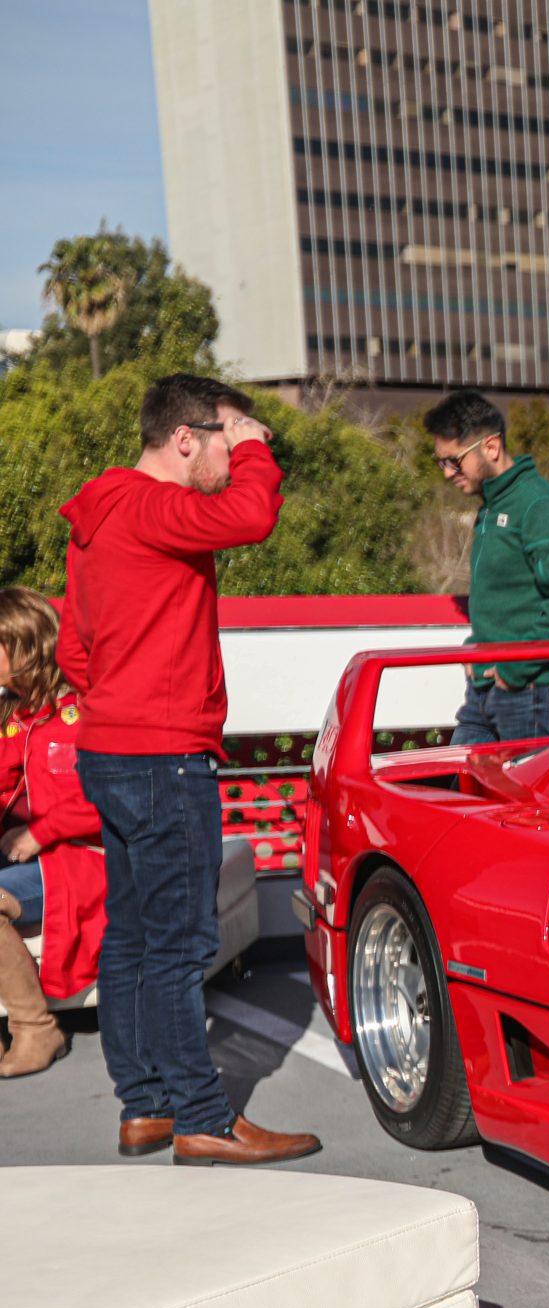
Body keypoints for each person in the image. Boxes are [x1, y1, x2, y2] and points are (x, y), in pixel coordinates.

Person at [56, 374, 318, 1163]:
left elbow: (73, 648)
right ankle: (203, 1116)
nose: (233, 455)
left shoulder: (99, 513)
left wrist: (121, 699)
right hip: (163, 756)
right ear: (184, 438)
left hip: (110, 749)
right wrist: (258, 451)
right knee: (177, 944)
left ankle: (145, 1106)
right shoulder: (152, 505)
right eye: (225, 438)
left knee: (132, 937)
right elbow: (251, 516)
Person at [424, 390, 549, 743]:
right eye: (441, 463)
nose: (448, 473)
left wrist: (515, 668)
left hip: (533, 690)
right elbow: (503, 600)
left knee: (525, 781)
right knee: (458, 776)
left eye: (454, 461)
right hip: (485, 686)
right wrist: (476, 647)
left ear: (491, 446)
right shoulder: (491, 507)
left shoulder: (541, 506)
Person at [0, 589, 105, 1078]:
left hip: (77, 861)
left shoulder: (85, 709)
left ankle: (35, 1028)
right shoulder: (12, 714)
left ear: (23, 645)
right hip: (24, 858)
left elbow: (110, 796)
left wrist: (41, 832)